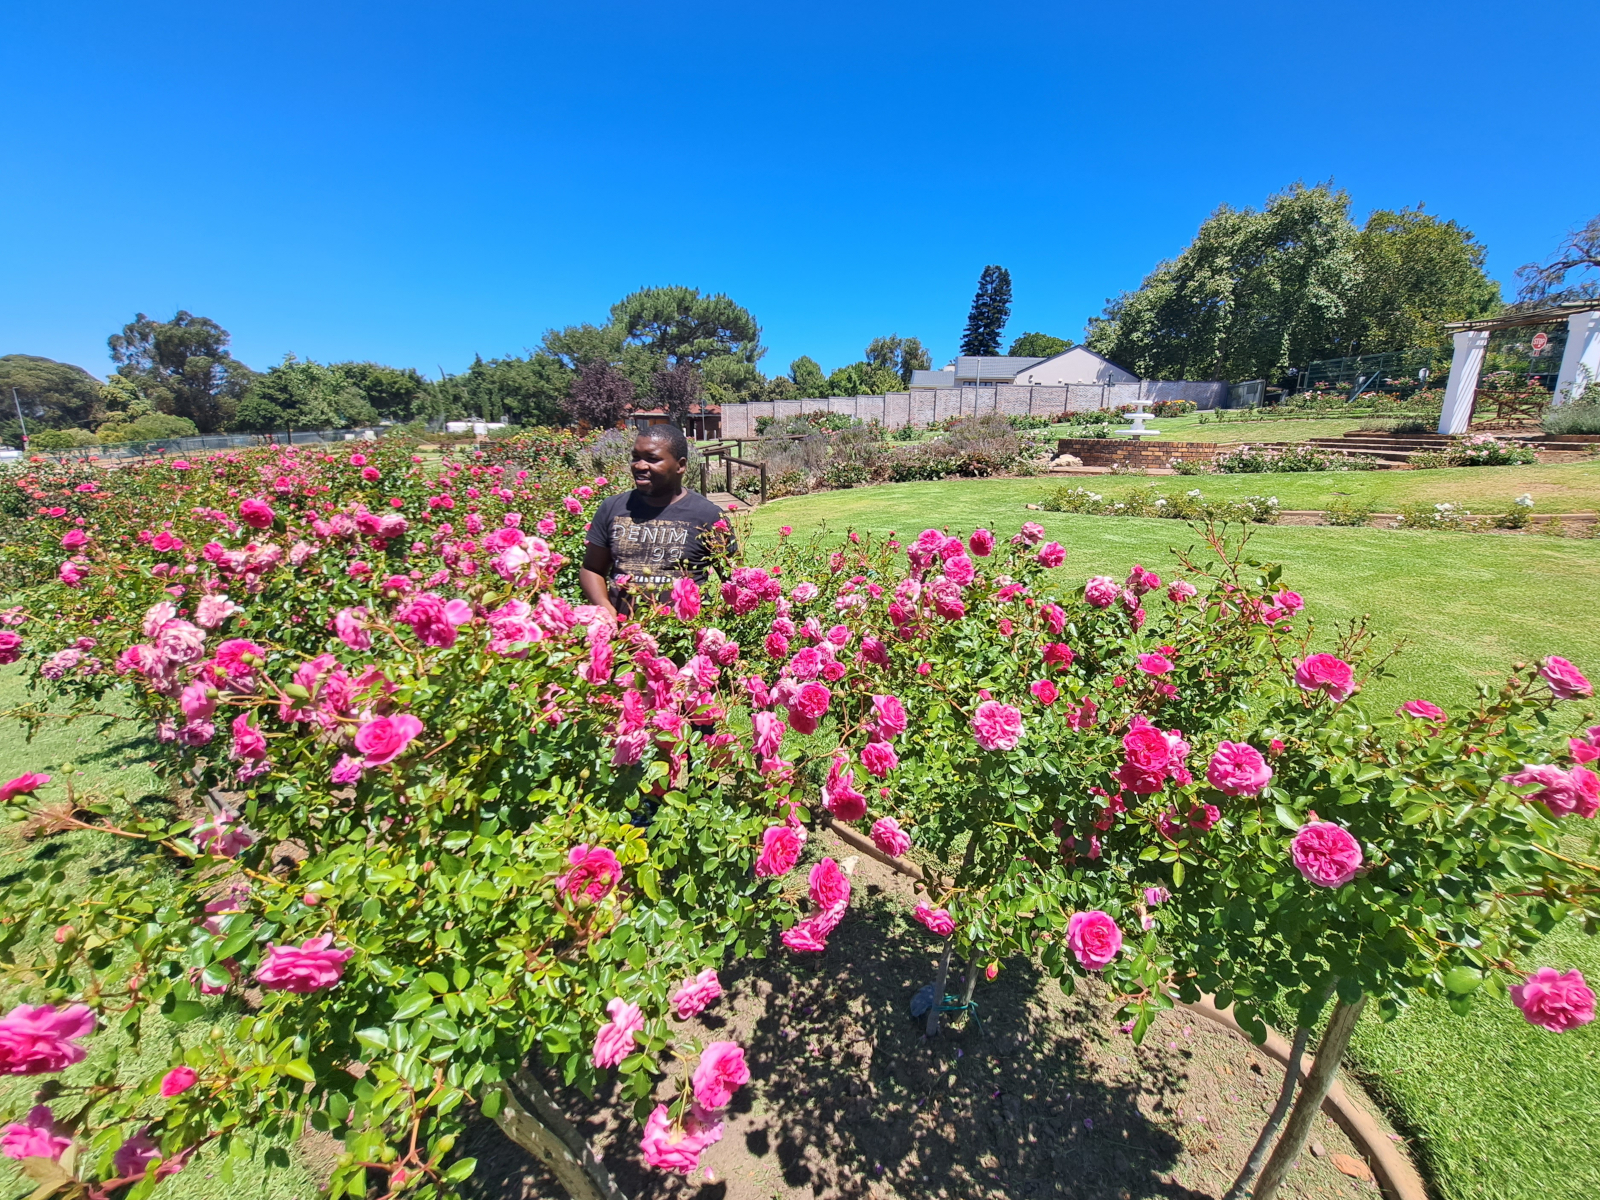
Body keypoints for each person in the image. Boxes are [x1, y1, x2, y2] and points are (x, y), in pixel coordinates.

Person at [580, 424, 734, 617]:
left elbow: (735, 580)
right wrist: (605, 608)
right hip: (625, 640)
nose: (639, 466)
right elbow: (591, 568)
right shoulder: (612, 508)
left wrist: (713, 615)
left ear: (681, 465)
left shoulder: (708, 516)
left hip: (683, 641)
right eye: (636, 457)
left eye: (652, 459)